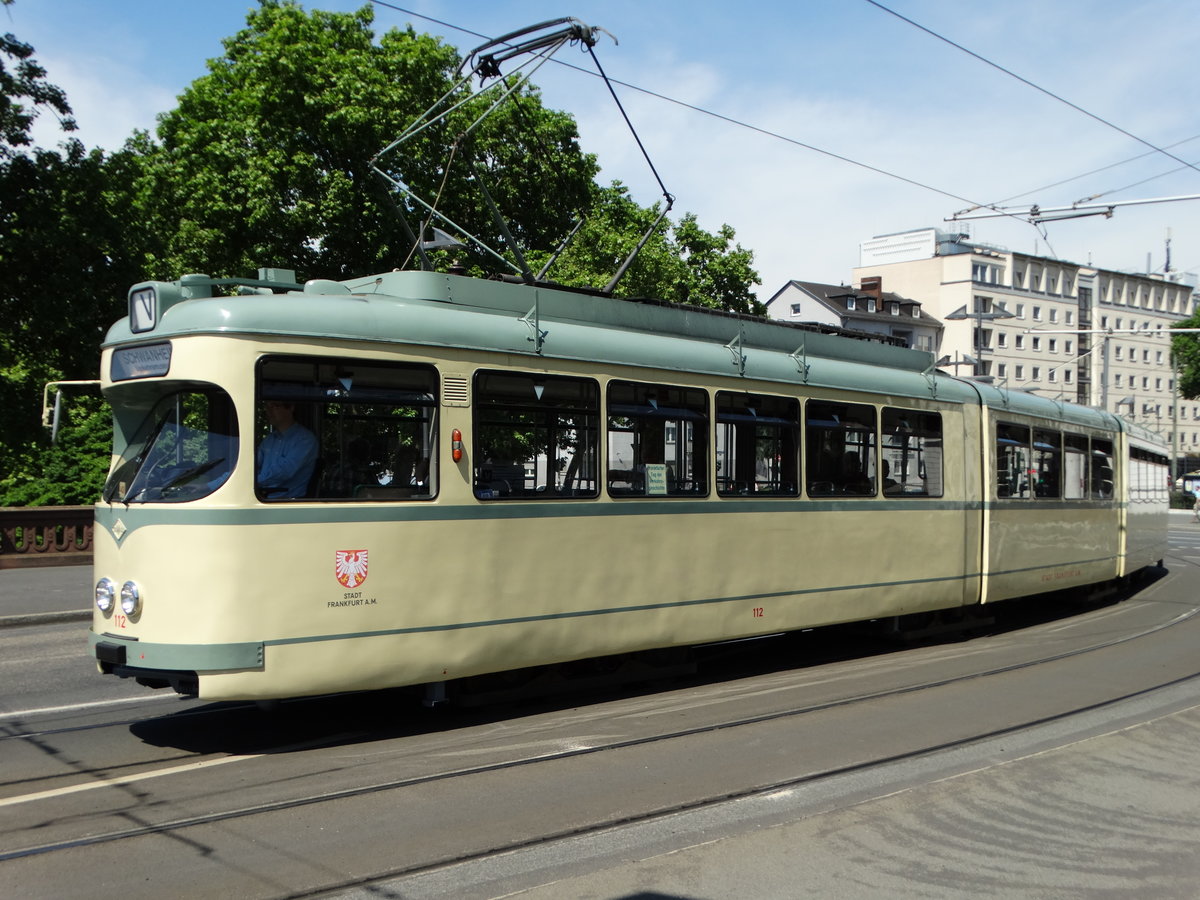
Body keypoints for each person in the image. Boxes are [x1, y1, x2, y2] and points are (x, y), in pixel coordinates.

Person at [256, 400, 318, 499]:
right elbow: (253, 465)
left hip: (288, 503)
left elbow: (285, 472)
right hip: (262, 498)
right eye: (267, 406)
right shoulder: (269, 440)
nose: (269, 411)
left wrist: (251, 481)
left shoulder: (305, 439)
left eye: (275, 406)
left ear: (291, 408)